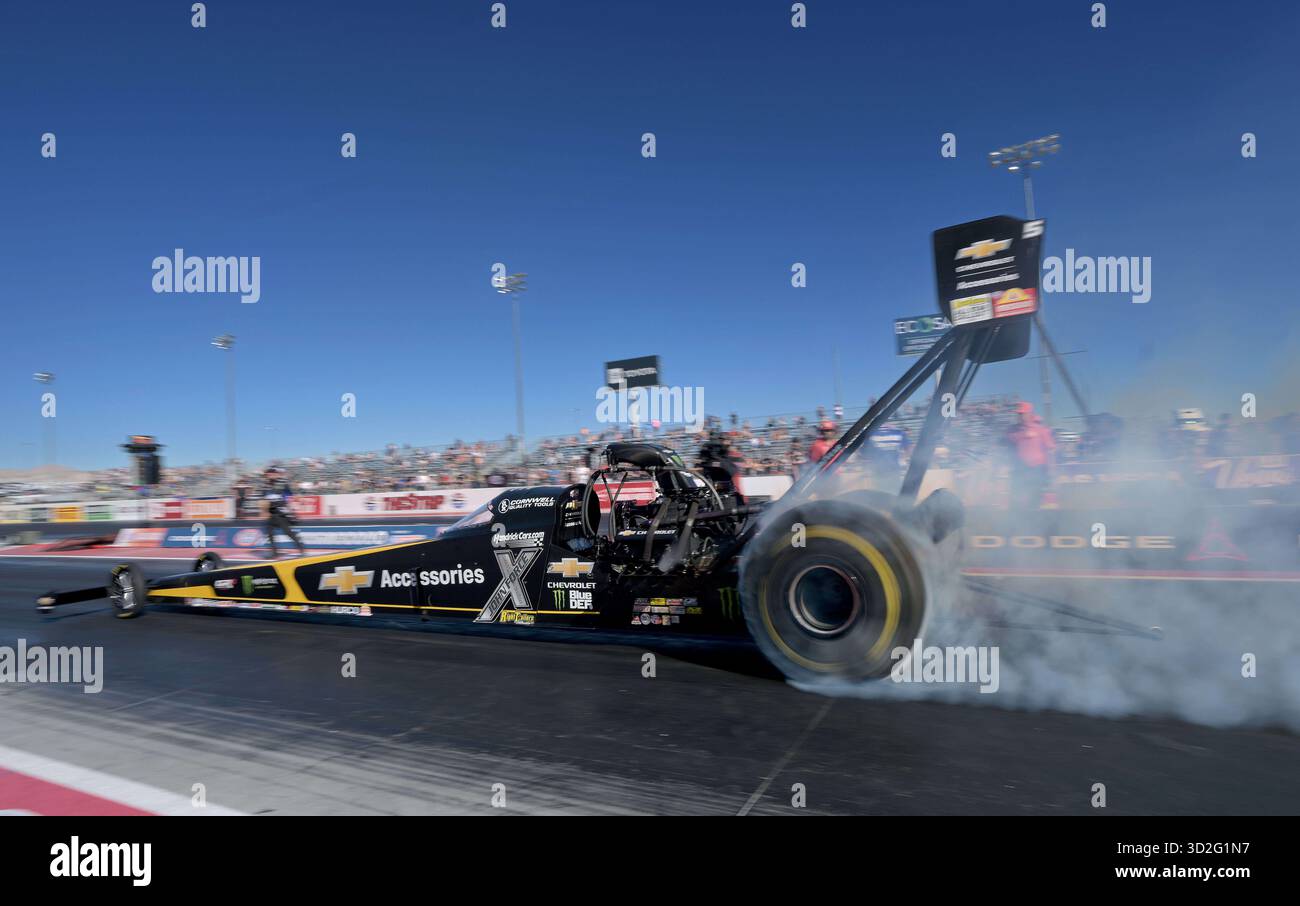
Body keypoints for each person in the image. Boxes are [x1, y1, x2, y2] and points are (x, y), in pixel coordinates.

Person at [1006, 402, 1056, 509]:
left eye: (1022, 414)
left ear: (1029, 413)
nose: (1020, 416)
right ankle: (1017, 515)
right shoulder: (1013, 430)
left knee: (1034, 498)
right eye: (1018, 414)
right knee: (1016, 498)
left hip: (1037, 469)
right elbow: (1009, 441)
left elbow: (1050, 449)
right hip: (1020, 469)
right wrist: (1023, 435)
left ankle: (1033, 515)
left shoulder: (1041, 430)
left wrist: (1050, 470)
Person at [262, 466, 306, 558]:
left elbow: (291, 493)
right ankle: (274, 552)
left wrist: (298, 498)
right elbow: (264, 499)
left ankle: (301, 548)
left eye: (271, 474)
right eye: (268, 474)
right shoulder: (265, 485)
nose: (269, 475)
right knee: (269, 532)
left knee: (288, 532)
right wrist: (264, 511)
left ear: (276, 474)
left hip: (280, 511)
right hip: (271, 512)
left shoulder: (282, 483)